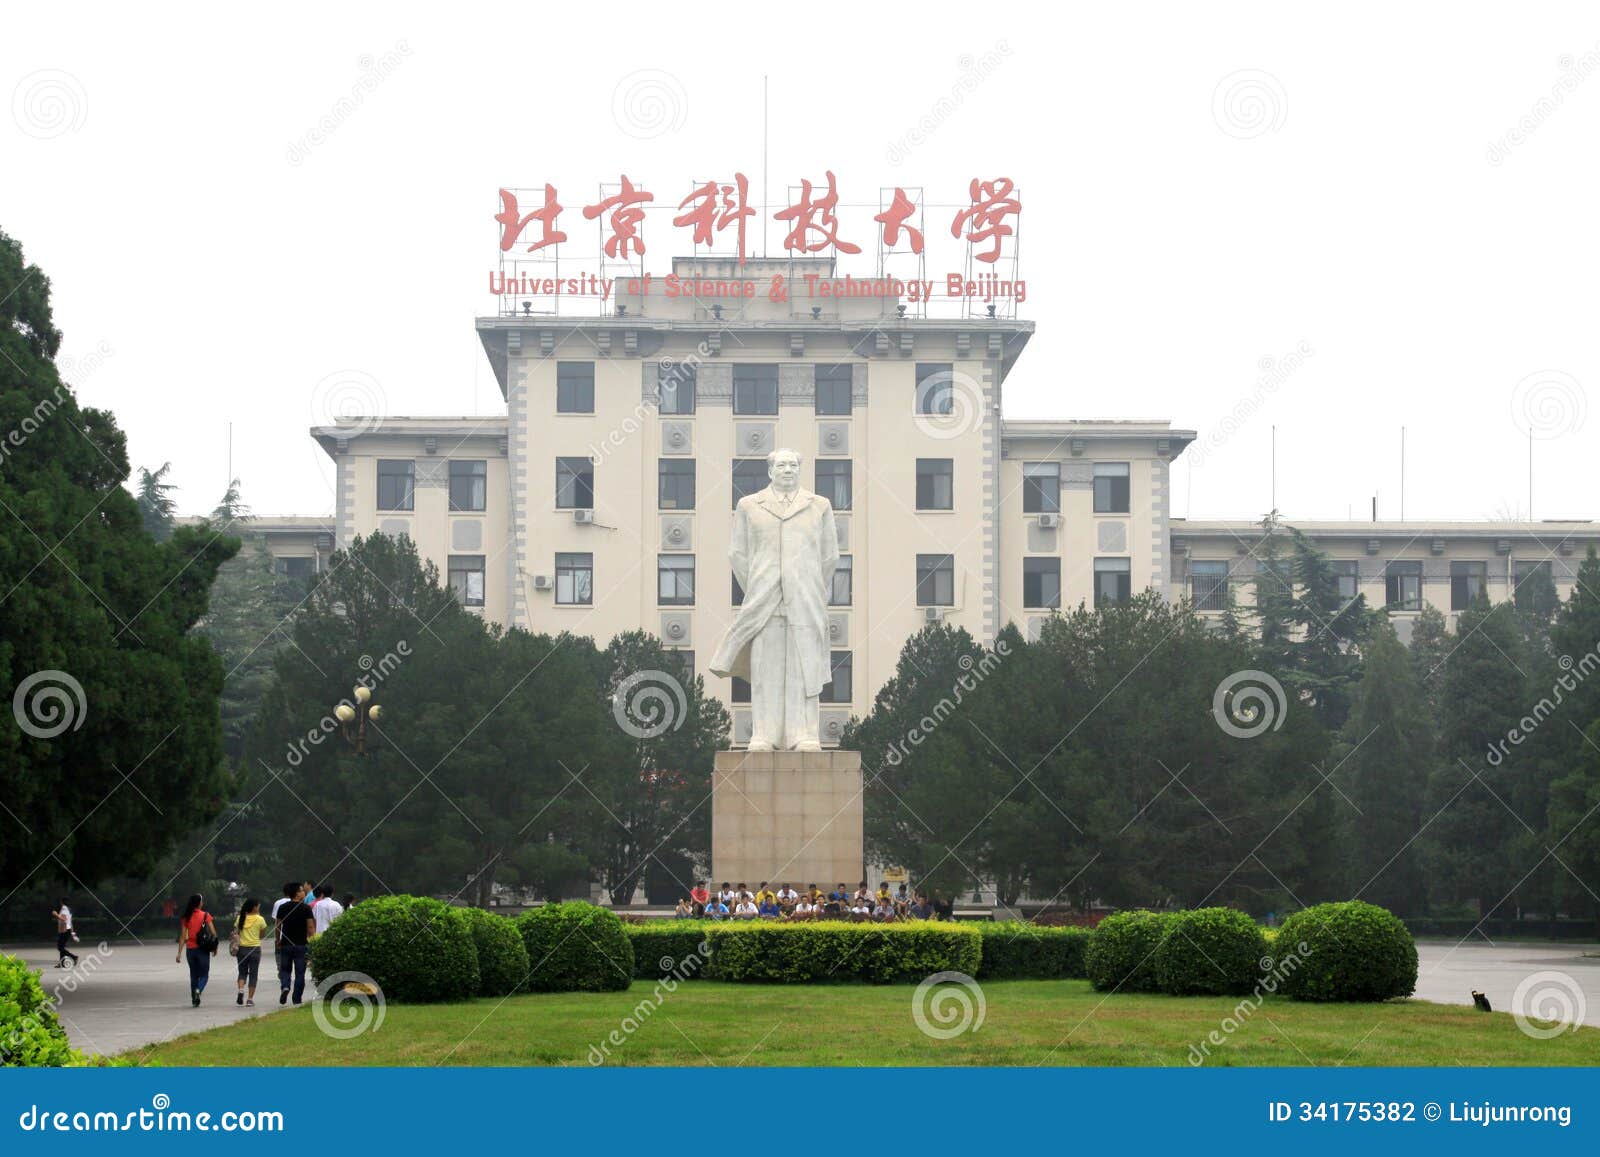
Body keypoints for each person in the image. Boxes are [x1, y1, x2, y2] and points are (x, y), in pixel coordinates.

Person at [274, 883, 315, 1005]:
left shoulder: (282, 907)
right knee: (300, 973)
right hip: (301, 945)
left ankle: (285, 986)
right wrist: (313, 942)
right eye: (302, 891)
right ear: (297, 893)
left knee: (285, 970)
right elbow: (310, 927)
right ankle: (297, 998)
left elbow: (277, 926)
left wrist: (277, 940)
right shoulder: (306, 908)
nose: (304, 892)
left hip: (286, 944)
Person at [176, 893, 217, 1007]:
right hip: (203, 950)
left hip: (190, 949)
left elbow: (182, 936)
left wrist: (179, 953)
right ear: (199, 903)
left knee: (193, 975)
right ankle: (198, 990)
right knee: (204, 975)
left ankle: (194, 999)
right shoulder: (205, 915)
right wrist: (214, 947)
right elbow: (213, 933)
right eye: (201, 901)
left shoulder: (186, 917)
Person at [233, 898, 267, 1007]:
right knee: (253, 974)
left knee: (242, 972)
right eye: (258, 906)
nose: (259, 908)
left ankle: (241, 990)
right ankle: (250, 999)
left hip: (242, 949)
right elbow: (262, 935)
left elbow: (236, 932)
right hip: (255, 949)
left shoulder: (240, 918)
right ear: (254, 907)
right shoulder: (260, 919)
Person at [50, 898, 78, 968]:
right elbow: (70, 921)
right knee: (61, 947)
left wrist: (56, 914)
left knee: (60, 947)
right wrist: (72, 932)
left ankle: (74, 957)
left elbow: (64, 919)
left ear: (61, 902)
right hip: (67, 930)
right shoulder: (68, 909)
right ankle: (62, 963)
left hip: (64, 930)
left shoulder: (64, 909)